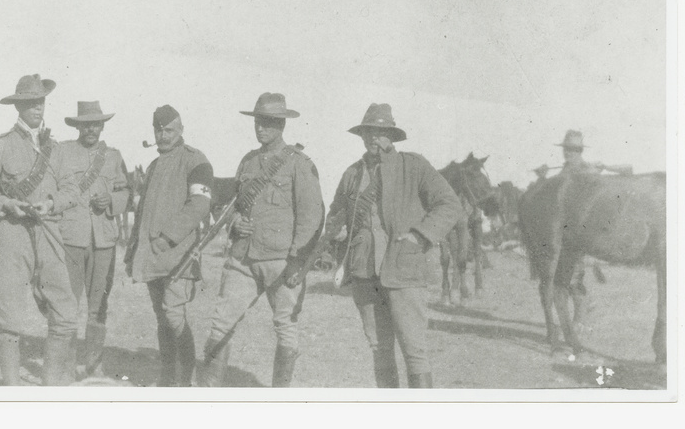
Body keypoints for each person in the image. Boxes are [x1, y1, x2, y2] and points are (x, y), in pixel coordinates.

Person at [322, 103, 462, 388]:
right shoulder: (352, 174)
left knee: (414, 351)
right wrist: (336, 233)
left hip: (405, 269)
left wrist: (420, 235)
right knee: (379, 348)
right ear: (361, 136)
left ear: (392, 136)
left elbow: (450, 205)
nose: (374, 138)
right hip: (364, 273)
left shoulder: (414, 166)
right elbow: (336, 213)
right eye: (368, 132)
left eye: (381, 132)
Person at [199, 93, 324, 388]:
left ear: (281, 124)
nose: (261, 128)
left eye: (268, 123)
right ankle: (208, 395)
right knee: (220, 323)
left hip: (281, 262)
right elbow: (233, 206)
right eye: (258, 122)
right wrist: (234, 222)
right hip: (243, 258)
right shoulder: (248, 161)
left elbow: (312, 216)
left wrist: (296, 261)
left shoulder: (299, 164)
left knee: (286, 330)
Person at [0, 74, 81, 386]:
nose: (37, 107)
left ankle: (49, 388)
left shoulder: (56, 150)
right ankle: (13, 394)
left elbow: (72, 191)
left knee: (66, 312)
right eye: (30, 102)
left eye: (40, 101)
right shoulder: (0, 146)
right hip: (13, 233)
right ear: (18, 106)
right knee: (8, 317)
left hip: (48, 232)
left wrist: (51, 202)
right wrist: (5, 204)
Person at [125, 105, 213, 387]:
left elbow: (200, 205)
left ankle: (185, 382)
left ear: (181, 130)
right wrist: (133, 252)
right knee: (162, 318)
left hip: (178, 256)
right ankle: (167, 380)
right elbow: (141, 216)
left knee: (175, 317)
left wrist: (169, 237)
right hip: (151, 256)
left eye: (169, 130)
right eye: (158, 130)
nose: (163, 135)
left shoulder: (196, 161)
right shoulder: (153, 166)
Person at [55, 101, 131, 378]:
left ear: (102, 126)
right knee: (68, 304)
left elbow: (126, 195)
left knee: (98, 306)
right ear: (78, 126)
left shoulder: (113, 156)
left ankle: (93, 363)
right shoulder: (62, 152)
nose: (91, 129)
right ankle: (67, 363)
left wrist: (110, 199)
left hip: (103, 242)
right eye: (86, 124)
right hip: (72, 239)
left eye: (96, 124)